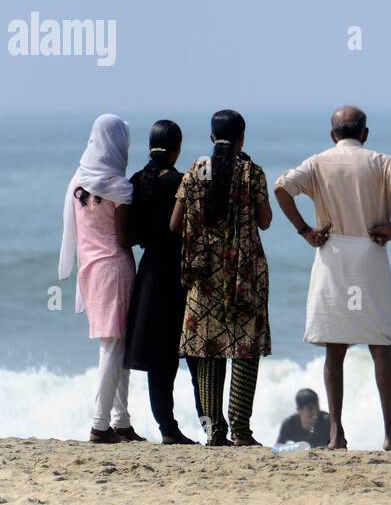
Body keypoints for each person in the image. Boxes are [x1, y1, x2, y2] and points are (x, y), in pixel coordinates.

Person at [274, 106, 391, 451]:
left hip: (333, 256)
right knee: (380, 345)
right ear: (365, 133)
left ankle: (336, 434)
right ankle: (390, 434)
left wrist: (305, 231)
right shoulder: (380, 161)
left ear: (333, 135)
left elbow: (281, 187)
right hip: (370, 253)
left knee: (335, 348)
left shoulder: (317, 162)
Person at [170, 110, 273, 447]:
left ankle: (214, 431)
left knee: (208, 350)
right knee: (245, 349)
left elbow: (174, 225)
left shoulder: (194, 173)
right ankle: (241, 431)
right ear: (242, 138)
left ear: (212, 137)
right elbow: (265, 220)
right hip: (244, 272)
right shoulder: (252, 173)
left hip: (204, 274)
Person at [57, 114, 145, 444]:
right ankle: (99, 423)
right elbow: (123, 239)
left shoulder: (79, 182)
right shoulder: (119, 189)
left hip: (90, 270)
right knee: (114, 346)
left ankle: (121, 420)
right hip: (115, 269)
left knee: (113, 344)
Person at [124, 120, 201, 445]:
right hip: (179, 273)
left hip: (150, 272)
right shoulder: (183, 182)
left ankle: (167, 429)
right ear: (177, 148)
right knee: (196, 355)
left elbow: (130, 234)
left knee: (159, 359)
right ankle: (211, 425)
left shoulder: (136, 181)